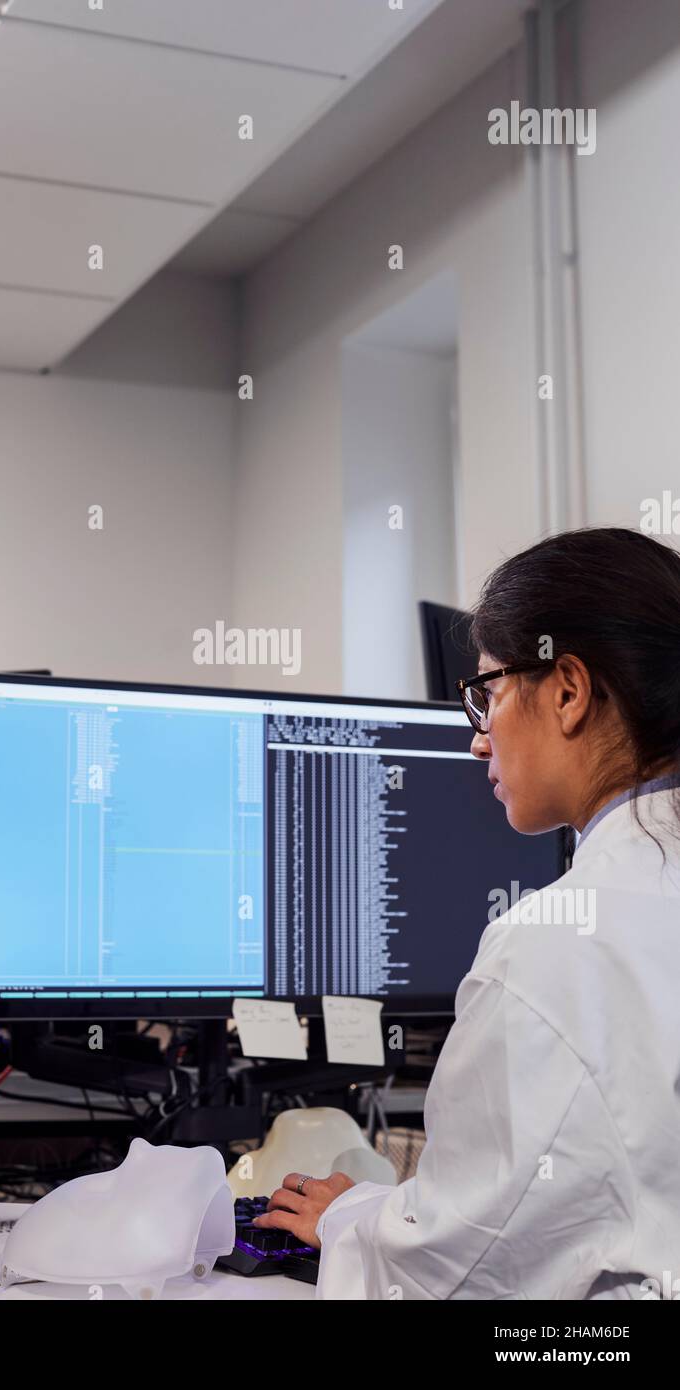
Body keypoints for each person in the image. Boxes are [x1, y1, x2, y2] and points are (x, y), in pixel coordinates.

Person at [253, 526, 680, 1300]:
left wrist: (353, 1229)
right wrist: (381, 1213)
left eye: (487, 694)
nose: (480, 742)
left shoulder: (553, 948)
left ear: (568, 690)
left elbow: (463, 1279)